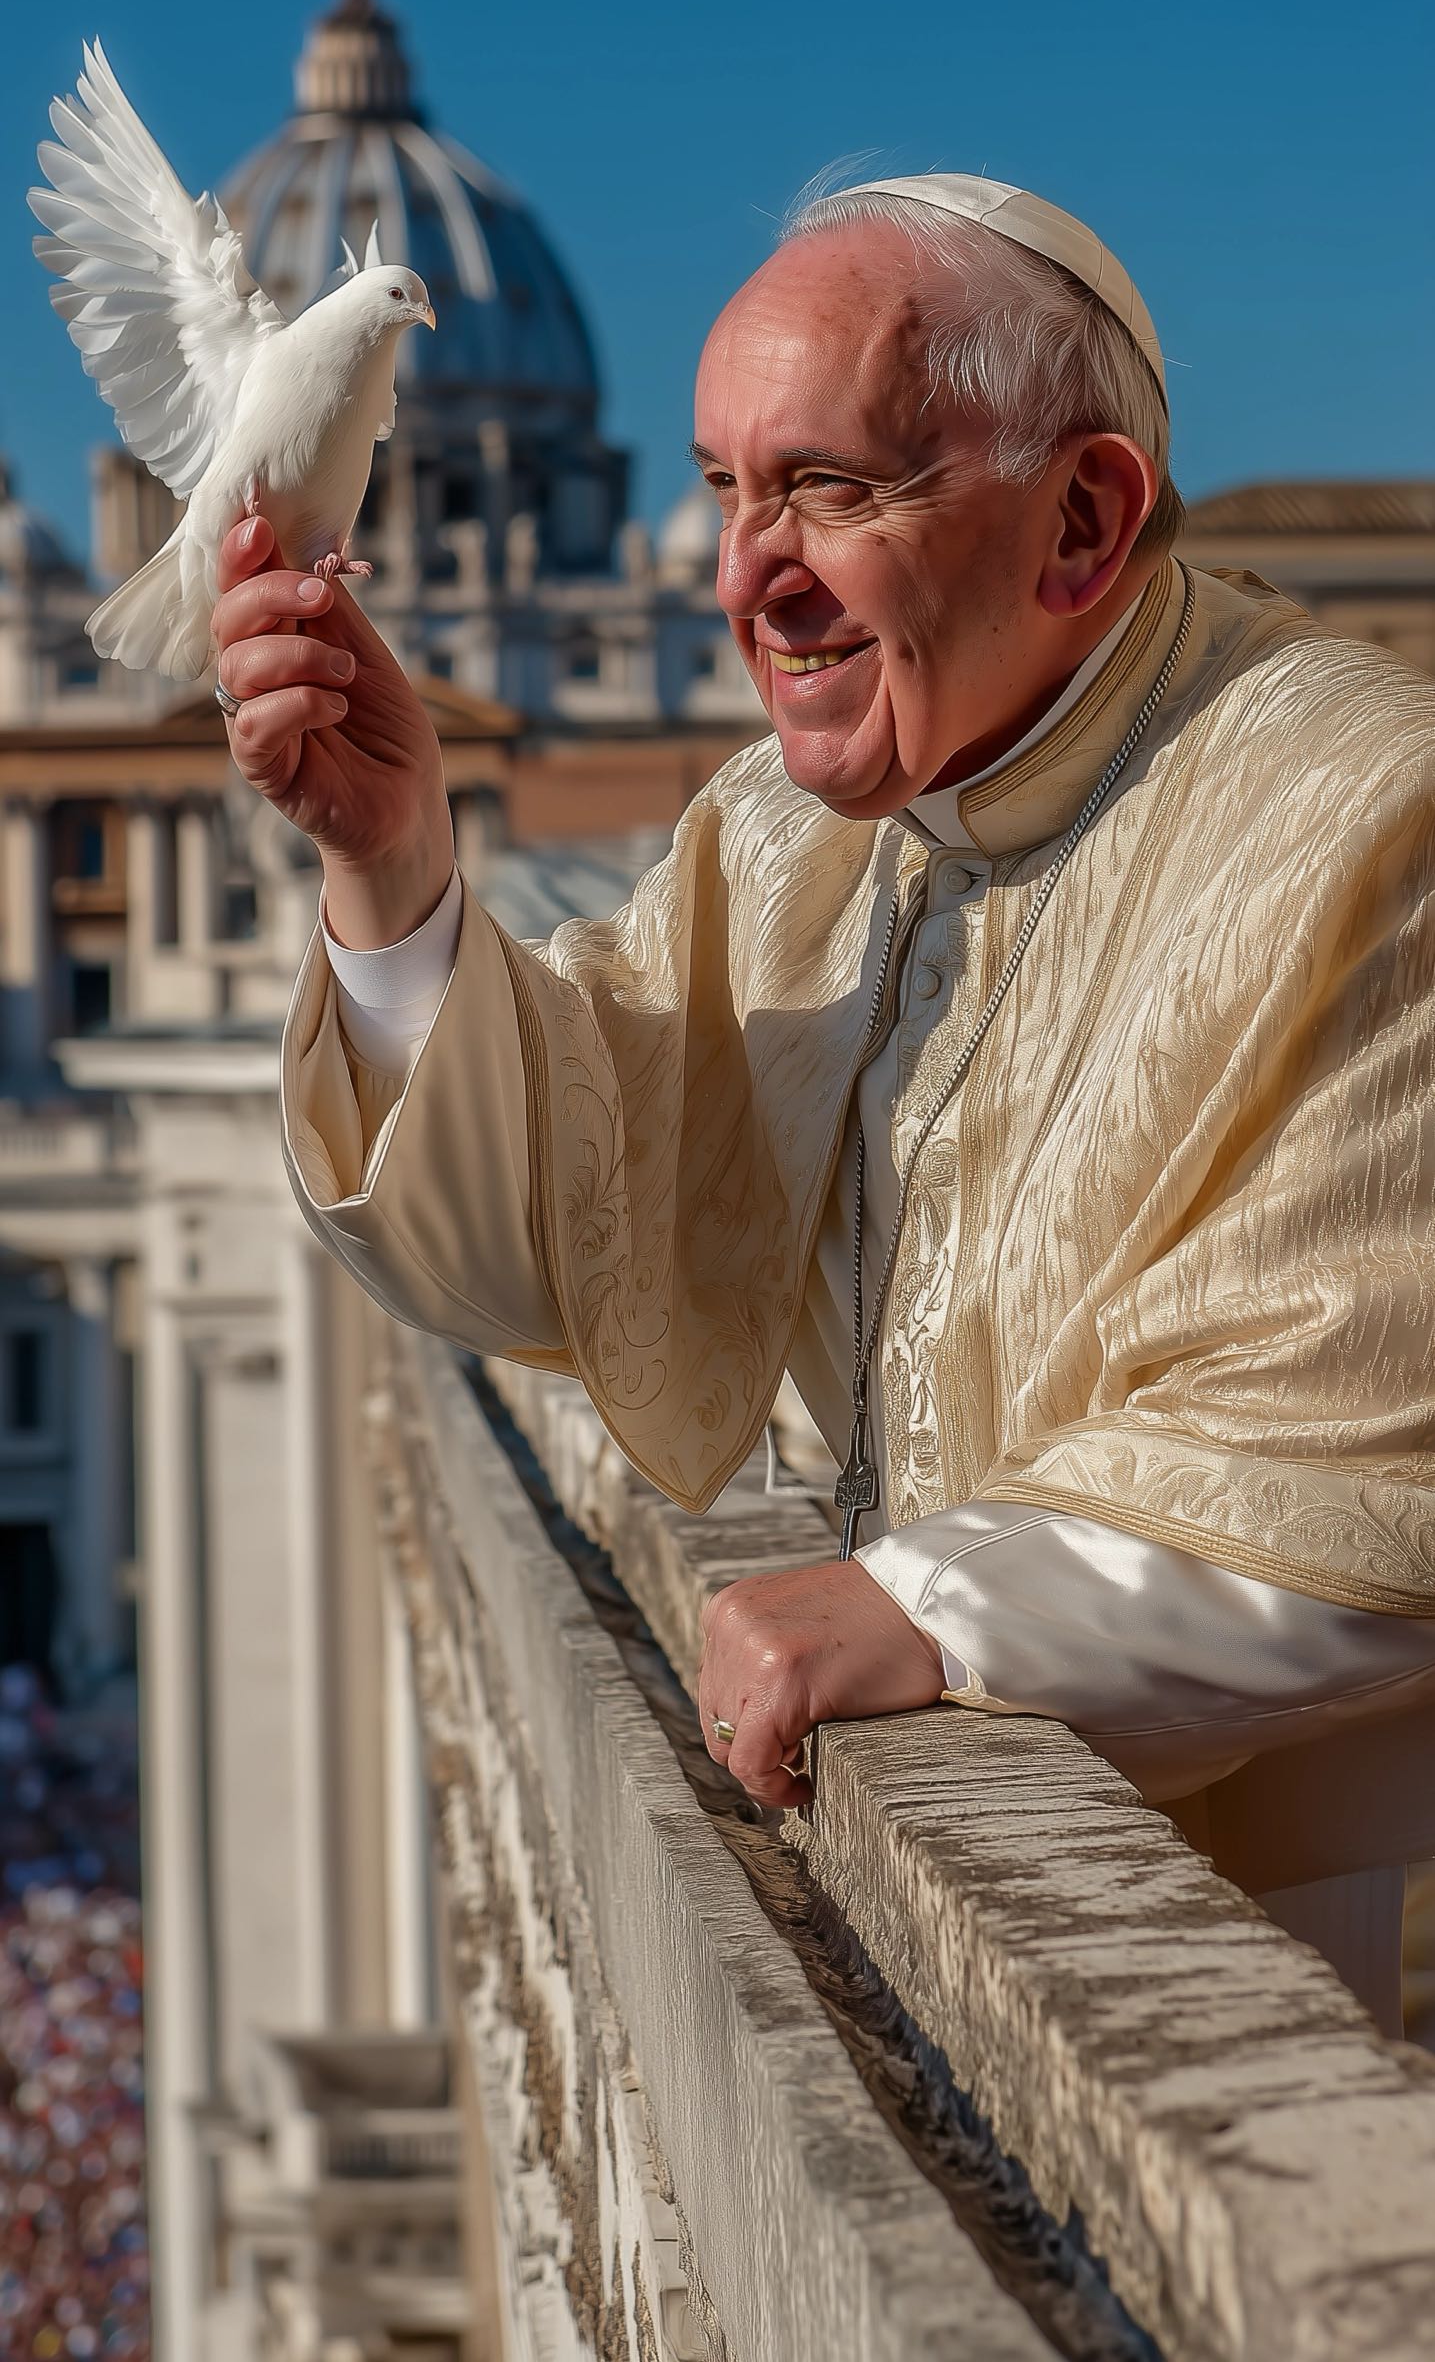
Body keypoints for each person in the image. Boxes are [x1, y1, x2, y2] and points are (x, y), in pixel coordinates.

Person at [214, 175, 1435, 2029]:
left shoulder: (1367, 811)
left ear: (1085, 520)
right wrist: (391, 860)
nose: (740, 579)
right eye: (723, 489)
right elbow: (558, 1225)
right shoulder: (789, 838)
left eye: (830, 490)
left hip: (1281, 1959)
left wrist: (941, 1606)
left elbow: (1369, 1423)